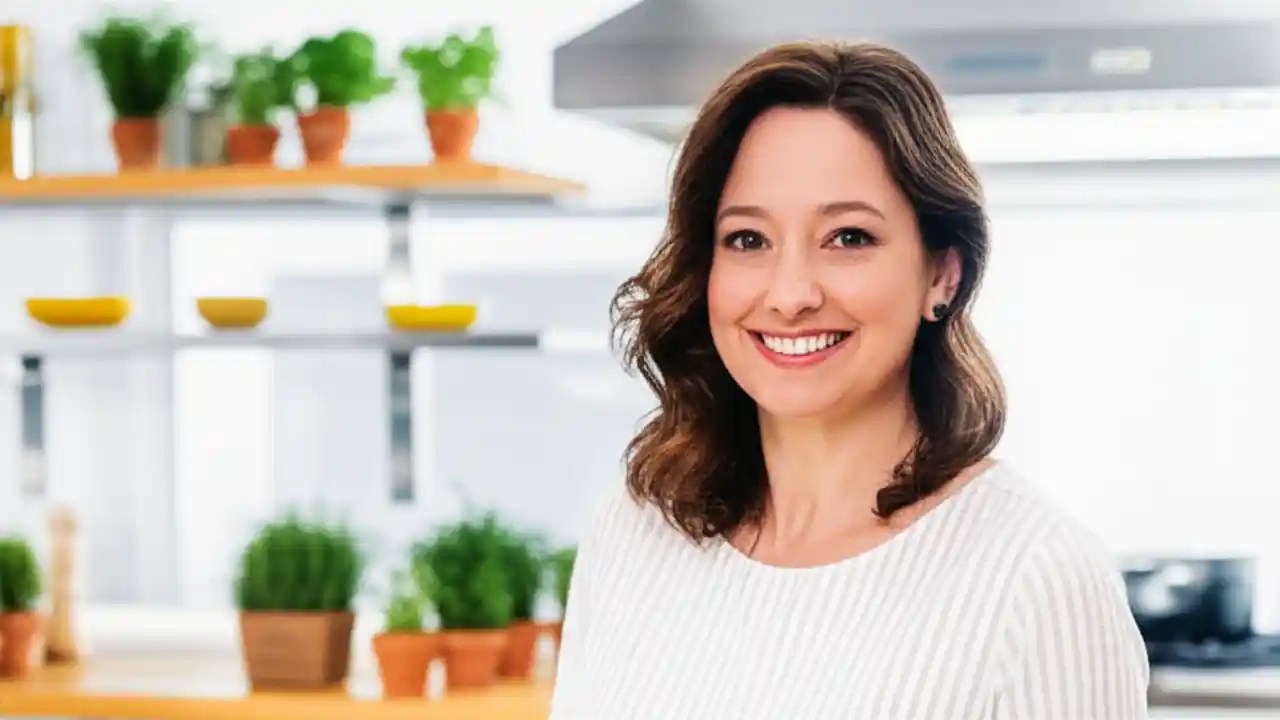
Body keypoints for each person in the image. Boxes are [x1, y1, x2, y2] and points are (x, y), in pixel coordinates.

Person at [550, 40, 1149, 719]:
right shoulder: (632, 534)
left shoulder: (1036, 578)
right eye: (748, 239)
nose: (790, 293)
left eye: (848, 238)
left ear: (942, 274)